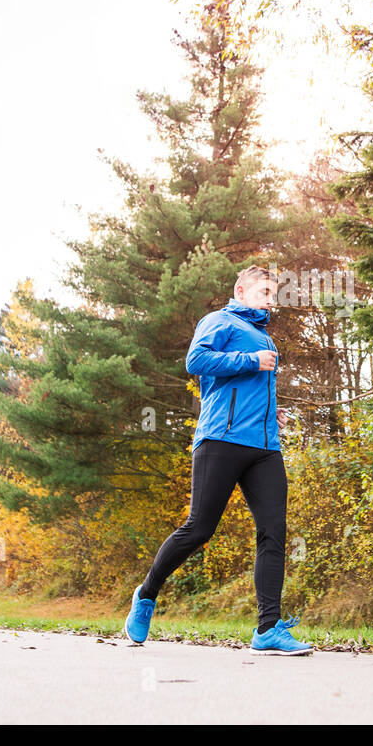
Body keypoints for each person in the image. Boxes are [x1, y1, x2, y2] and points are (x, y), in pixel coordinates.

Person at [124, 264, 313, 655]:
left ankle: (267, 628)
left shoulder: (265, 338)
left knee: (273, 532)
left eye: (273, 294)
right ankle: (146, 594)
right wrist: (249, 361)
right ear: (241, 290)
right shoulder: (220, 321)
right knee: (199, 528)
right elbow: (196, 361)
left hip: (264, 447)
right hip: (220, 440)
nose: (270, 300)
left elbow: (249, 388)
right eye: (263, 292)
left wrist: (270, 411)